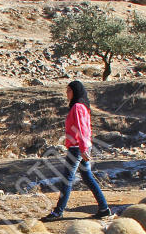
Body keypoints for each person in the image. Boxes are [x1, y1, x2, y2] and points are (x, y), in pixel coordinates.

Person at [43, 80, 111, 220]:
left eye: (69, 90)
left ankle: (58, 212)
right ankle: (104, 209)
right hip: (80, 147)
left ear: (75, 91)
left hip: (77, 148)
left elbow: (82, 129)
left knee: (67, 179)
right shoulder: (80, 106)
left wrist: (83, 148)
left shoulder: (77, 107)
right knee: (87, 177)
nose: (66, 93)